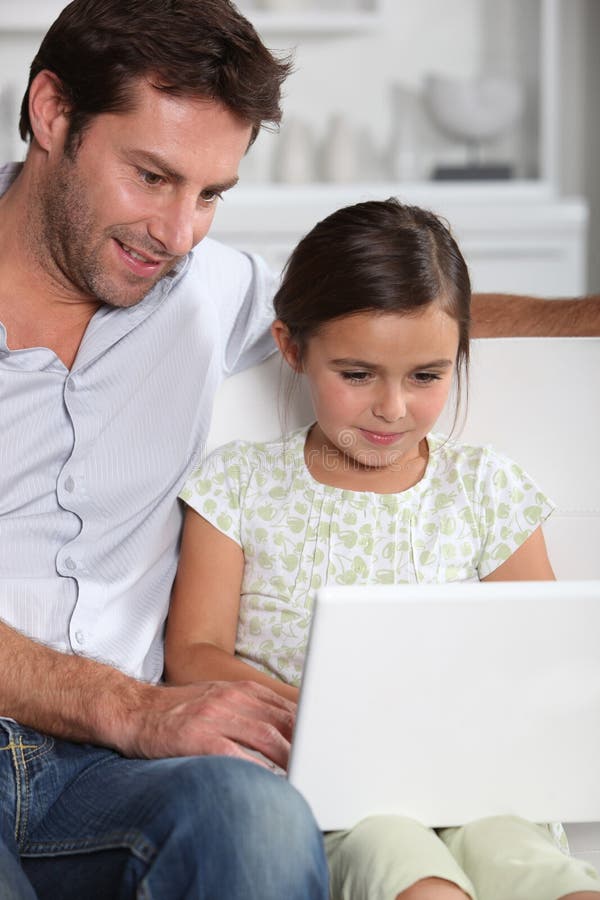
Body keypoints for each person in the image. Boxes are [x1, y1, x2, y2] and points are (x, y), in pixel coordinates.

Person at [166, 199, 600, 900]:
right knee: (416, 878)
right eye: (358, 374)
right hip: (337, 796)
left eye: (426, 376)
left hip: (476, 782)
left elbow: (546, 655)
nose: (392, 409)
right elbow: (192, 654)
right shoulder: (238, 486)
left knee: (549, 878)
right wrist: (320, 716)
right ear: (292, 347)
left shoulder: (485, 487)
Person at [0, 1, 330, 897]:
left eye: (211, 193)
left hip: (115, 776)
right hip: (124, 719)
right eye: (151, 176)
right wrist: (133, 708)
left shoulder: (201, 284)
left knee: (257, 820)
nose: (180, 233)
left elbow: (387, 322)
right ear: (53, 112)